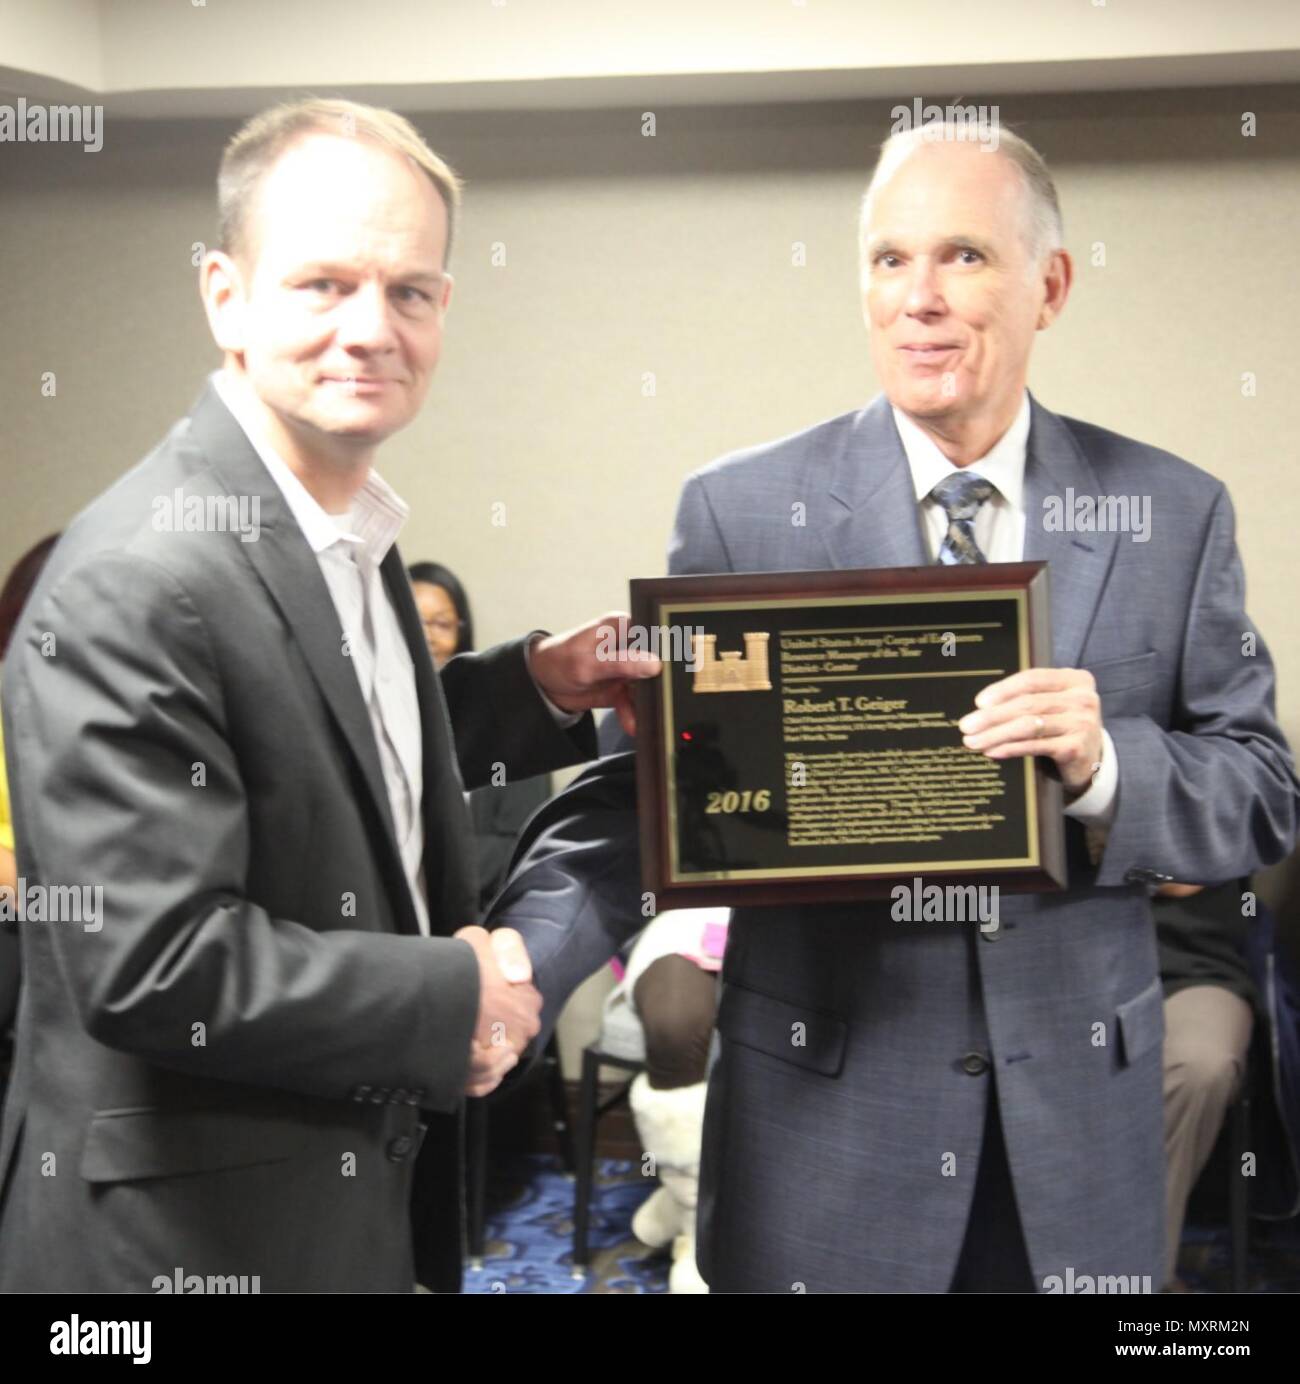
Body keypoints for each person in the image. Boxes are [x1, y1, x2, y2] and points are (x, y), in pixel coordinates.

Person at [486, 122, 1300, 1292]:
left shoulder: (1171, 510)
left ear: (1049, 285)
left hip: (1074, 1132)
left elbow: (1260, 791)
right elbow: (653, 791)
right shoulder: (740, 511)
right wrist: (522, 965)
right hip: (825, 1125)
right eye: (886, 260)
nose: (917, 298)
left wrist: (1105, 766)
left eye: (962, 256)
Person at [0, 98, 657, 1294]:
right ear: (224, 295)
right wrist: (462, 991)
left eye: (408, 290)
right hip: (188, 1246)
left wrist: (531, 690)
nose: (371, 328)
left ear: (444, 310)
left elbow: (323, 756)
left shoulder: (340, 528)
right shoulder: (138, 575)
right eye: (322, 284)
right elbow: (156, 961)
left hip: (340, 1199)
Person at [409, 561, 551, 913]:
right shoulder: (367, 717)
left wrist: (419, 855)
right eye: (413, 620)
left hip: (487, 920)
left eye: (441, 623)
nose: (427, 635)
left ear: (461, 631)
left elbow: (521, 846)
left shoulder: (511, 725)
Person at [1154, 880, 1256, 1289]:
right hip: (1044, 972)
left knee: (1197, 1064)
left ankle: (1139, 1273)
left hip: (1188, 965)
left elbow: (1180, 876)